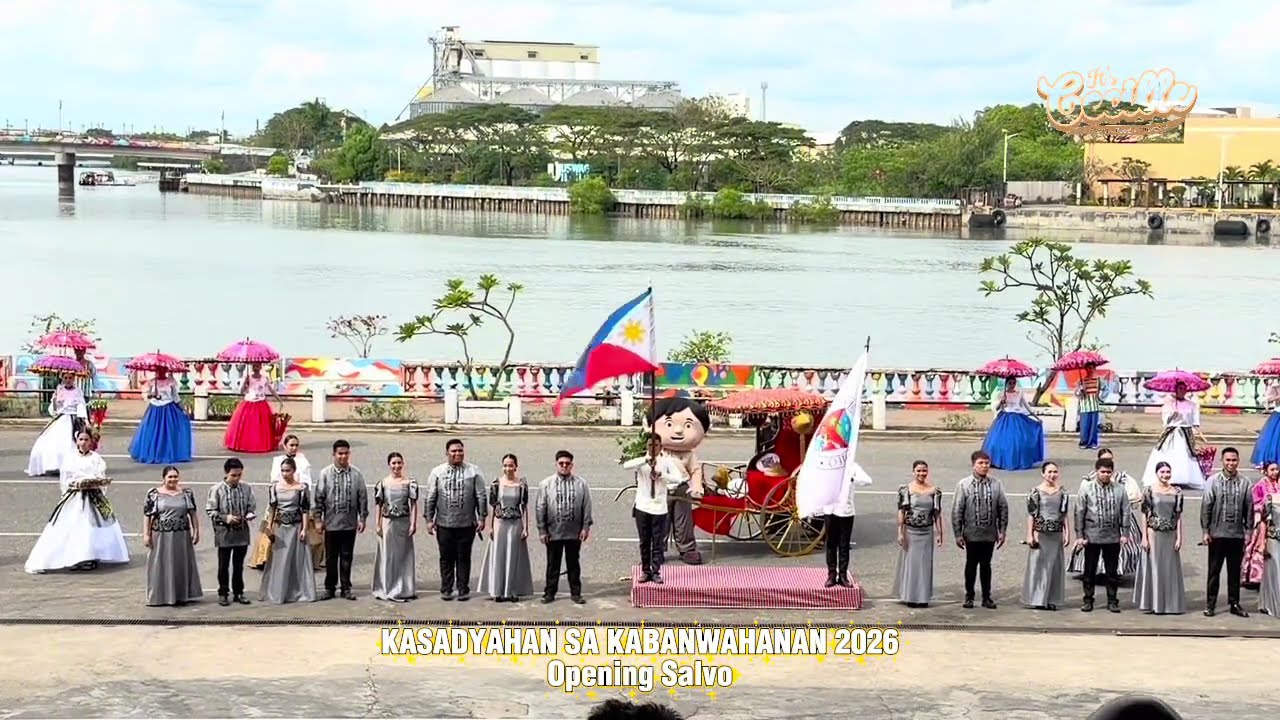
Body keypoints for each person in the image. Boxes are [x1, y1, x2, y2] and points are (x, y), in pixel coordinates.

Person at [25, 430, 130, 573]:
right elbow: (65, 479)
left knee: (91, 526)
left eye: (86, 440)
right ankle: (75, 556)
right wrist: (73, 486)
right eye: (81, 439)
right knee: (74, 525)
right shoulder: (70, 458)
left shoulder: (96, 458)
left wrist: (95, 483)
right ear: (77, 441)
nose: (83, 442)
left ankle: (91, 556)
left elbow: (100, 476)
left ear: (91, 442)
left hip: (93, 496)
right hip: (75, 496)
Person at [649, 397, 711, 565]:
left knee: (683, 520)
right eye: (669, 424)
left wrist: (697, 485)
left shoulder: (689, 455)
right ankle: (656, 550)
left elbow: (695, 471)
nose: (678, 431)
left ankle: (687, 548)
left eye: (688, 426)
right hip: (662, 488)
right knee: (660, 521)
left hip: (682, 488)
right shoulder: (655, 450)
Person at [423, 439, 487, 601]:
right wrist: (429, 519)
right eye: (454, 451)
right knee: (446, 557)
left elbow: (481, 495)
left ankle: (463, 589)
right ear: (447, 453)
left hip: (467, 523)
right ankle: (446, 588)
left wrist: (482, 517)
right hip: (444, 523)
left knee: (464, 557)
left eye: (460, 451)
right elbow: (430, 497)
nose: (457, 454)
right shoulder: (437, 472)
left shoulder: (474, 471)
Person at [1068, 448, 1140, 578]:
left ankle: (1114, 571)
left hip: (1117, 518)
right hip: (1094, 522)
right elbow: (1081, 506)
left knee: (1121, 545)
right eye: (1104, 460)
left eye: (1110, 459)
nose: (1108, 462)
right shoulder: (1089, 479)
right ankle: (1093, 572)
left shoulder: (1121, 478)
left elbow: (1134, 496)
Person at [1074, 457, 1134, 613]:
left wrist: (1125, 533)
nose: (1106, 475)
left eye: (1108, 472)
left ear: (1112, 472)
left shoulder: (1120, 489)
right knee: (1089, 570)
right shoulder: (1086, 488)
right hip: (1091, 535)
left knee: (1112, 571)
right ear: (1096, 472)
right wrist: (1079, 535)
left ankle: (1112, 600)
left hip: (1112, 536)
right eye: (1102, 472)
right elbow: (1079, 512)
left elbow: (1126, 512)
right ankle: (1088, 600)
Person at [950, 450, 1009, 609]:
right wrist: (958, 533)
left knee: (986, 565)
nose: (984, 466)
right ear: (973, 465)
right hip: (971, 533)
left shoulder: (996, 484)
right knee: (971, 564)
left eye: (986, 463)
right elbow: (957, 510)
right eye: (980, 463)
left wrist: (1002, 531)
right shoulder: (964, 484)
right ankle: (969, 596)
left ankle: (986, 597)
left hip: (989, 533)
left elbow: (1003, 508)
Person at [1200, 446, 1254, 617]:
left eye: (1234, 460)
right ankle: (1210, 604)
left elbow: (1249, 508)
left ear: (1238, 461)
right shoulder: (1213, 481)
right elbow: (1206, 506)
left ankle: (1234, 603)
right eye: (1228, 460)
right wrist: (1205, 531)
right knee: (1214, 571)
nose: (1231, 463)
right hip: (1217, 534)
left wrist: (1249, 531)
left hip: (1237, 535)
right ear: (1222, 461)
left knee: (1234, 572)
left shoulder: (1245, 482)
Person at [623, 434, 684, 584]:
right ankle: (645, 570)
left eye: (656, 446)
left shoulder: (666, 462)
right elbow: (626, 465)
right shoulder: (641, 462)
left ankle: (656, 570)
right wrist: (645, 460)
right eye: (650, 445)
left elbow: (678, 478)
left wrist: (662, 475)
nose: (652, 448)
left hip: (659, 508)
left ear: (661, 447)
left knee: (657, 542)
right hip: (643, 507)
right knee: (644, 542)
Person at [536, 450, 593, 605]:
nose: (564, 466)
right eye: (561, 463)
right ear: (556, 464)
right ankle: (549, 593)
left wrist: (585, 527)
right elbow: (540, 507)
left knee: (573, 564)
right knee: (552, 564)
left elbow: (586, 506)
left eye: (567, 463)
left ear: (571, 465)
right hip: (553, 532)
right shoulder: (546, 484)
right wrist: (542, 530)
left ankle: (576, 593)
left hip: (574, 532)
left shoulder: (581, 483)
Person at [313, 439, 368, 601]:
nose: (343, 457)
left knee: (347, 557)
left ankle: (346, 588)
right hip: (331, 524)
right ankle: (329, 588)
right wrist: (317, 519)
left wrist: (362, 517)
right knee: (331, 558)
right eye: (340, 453)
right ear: (334, 455)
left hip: (349, 523)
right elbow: (319, 498)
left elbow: (362, 497)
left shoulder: (356, 474)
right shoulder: (325, 474)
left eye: (346, 453)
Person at [259, 457, 317, 604]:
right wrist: (269, 527)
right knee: (280, 561)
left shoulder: (302, 488)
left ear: (294, 470)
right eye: (283, 471)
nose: (285, 474)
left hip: (296, 527)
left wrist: (304, 529)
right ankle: (278, 592)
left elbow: (304, 510)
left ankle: (298, 592)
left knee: (297, 561)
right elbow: (272, 509)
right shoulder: (274, 488)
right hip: (280, 529)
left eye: (288, 471)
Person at [142, 466, 203, 607]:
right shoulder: (154, 494)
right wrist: (146, 534)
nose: (173, 479)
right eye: (170, 477)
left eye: (175, 476)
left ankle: (181, 595)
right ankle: (160, 596)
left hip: (181, 535)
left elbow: (193, 514)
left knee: (180, 563)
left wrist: (196, 531)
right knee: (160, 564)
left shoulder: (186, 493)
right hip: (161, 535)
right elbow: (147, 515)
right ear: (163, 478)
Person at [477, 453, 534, 602]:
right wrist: (490, 527)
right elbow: (494, 507)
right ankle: (498, 590)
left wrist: (525, 527)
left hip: (515, 523)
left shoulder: (521, 485)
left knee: (513, 556)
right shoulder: (496, 484)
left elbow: (524, 507)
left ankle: (512, 591)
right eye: (505, 465)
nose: (508, 468)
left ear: (516, 467)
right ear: (502, 466)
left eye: (511, 465)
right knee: (499, 555)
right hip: (500, 523)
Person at [257, 434, 318, 571]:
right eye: (291, 445)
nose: (294, 448)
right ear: (285, 446)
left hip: (297, 498)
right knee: (270, 529)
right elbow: (273, 479)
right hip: (280, 497)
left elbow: (307, 481)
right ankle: (263, 558)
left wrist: (297, 489)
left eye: (296, 445)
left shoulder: (303, 461)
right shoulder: (278, 460)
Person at [1134, 462, 1186, 615]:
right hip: (1154, 533)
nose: (1165, 475)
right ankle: (1155, 603)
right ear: (1157, 473)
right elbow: (1144, 514)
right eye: (1162, 472)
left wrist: (1179, 537)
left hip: (1170, 534)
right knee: (1155, 567)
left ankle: (1170, 604)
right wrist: (1144, 536)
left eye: (1168, 472)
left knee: (1169, 568)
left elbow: (1178, 516)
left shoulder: (1177, 492)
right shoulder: (1149, 491)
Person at [206, 457, 257, 606]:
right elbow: (210, 510)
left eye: (239, 475)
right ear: (226, 473)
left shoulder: (246, 488)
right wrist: (225, 518)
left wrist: (250, 514)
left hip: (241, 530)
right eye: (233, 475)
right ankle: (223, 592)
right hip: (224, 531)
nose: (236, 478)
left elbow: (251, 506)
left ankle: (238, 592)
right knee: (223, 565)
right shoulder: (216, 489)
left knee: (238, 565)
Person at [893, 460, 944, 607]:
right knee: (912, 564)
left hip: (926, 532)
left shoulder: (935, 491)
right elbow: (901, 512)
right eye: (919, 471)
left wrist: (940, 533)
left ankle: (922, 597)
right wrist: (900, 533)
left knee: (925, 565)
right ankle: (910, 596)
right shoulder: (906, 490)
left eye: (924, 471)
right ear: (913, 472)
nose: (922, 474)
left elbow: (937, 514)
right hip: (911, 532)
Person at [1141, 382, 1207, 490]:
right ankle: (1167, 476)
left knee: (1187, 454)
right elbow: (1166, 421)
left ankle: (1184, 478)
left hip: (1185, 433)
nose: (1182, 390)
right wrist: (1173, 414)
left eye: (1184, 388)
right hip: (1171, 433)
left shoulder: (1192, 405)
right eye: (1180, 388)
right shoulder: (1168, 404)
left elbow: (1195, 422)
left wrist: (1199, 435)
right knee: (1167, 453)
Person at [371, 452, 418, 603]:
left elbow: (414, 504)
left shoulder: (409, 483)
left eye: (399, 463)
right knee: (388, 556)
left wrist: (413, 523)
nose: (396, 466)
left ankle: (404, 588)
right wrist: (377, 523)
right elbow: (378, 504)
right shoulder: (383, 483)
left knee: (404, 556)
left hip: (403, 523)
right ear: (389, 465)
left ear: (403, 464)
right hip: (388, 523)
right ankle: (387, 587)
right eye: (394, 463)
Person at [1021, 461, 1069, 611]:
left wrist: (1067, 533)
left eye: (1055, 472)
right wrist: (1030, 535)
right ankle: (1037, 598)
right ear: (1043, 474)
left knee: (1054, 567)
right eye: (1049, 472)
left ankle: (1052, 599)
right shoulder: (1035, 492)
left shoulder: (1062, 492)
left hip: (1056, 534)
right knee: (1038, 567)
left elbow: (1064, 514)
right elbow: (1031, 515)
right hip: (1040, 533)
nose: (1052, 475)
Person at [822, 457, 873, 588]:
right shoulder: (828, 465)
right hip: (830, 509)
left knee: (844, 545)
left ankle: (843, 575)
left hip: (846, 511)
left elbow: (868, 481)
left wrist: (851, 479)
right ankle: (831, 574)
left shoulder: (853, 466)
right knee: (830, 544)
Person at [26, 372, 88, 477]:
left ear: (73, 379)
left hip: (73, 419)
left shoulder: (78, 391)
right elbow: (54, 411)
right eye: (65, 378)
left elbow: (81, 406)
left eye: (70, 378)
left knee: (71, 443)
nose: (68, 380)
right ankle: (53, 466)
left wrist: (85, 420)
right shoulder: (59, 390)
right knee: (49, 442)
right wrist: (54, 400)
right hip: (61, 418)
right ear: (62, 378)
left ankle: (72, 467)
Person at [128, 368, 193, 465]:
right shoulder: (152, 382)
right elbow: (147, 396)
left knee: (168, 432)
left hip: (168, 409)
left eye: (163, 370)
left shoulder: (171, 382)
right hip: (155, 409)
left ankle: (166, 453)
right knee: (152, 431)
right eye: (159, 370)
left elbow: (176, 397)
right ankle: (153, 453)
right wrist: (152, 395)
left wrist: (183, 410)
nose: (160, 372)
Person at [981, 377, 1046, 470]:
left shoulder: (1019, 394)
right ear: (1006, 384)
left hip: (1017, 418)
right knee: (1000, 442)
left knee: (1020, 441)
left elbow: (1027, 406)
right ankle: (999, 460)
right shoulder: (1001, 394)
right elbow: (997, 408)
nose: (1012, 385)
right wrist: (1001, 402)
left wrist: (1036, 418)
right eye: (1010, 383)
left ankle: (1018, 460)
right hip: (1004, 418)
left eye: (1013, 383)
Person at [223, 362, 283, 453]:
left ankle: (261, 444)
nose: (256, 367)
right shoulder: (248, 377)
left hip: (261, 404)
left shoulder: (264, 378)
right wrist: (244, 383)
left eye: (258, 366)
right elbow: (241, 391)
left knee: (262, 427)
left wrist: (279, 400)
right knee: (247, 426)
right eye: (254, 366)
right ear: (251, 367)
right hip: (249, 403)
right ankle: (245, 444)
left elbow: (271, 390)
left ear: (261, 367)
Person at [1243, 461, 1280, 590]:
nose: (1275, 472)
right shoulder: (1260, 485)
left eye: (1276, 469)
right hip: (1263, 519)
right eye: (1272, 470)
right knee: (1260, 546)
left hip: (1277, 519)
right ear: (1265, 471)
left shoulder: (1279, 483)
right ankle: (1256, 577)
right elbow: (1254, 503)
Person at [1256, 480, 1280, 617]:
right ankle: (1272, 605)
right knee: (1274, 572)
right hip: (1274, 539)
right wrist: (1262, 542)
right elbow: (1264, 522)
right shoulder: (1270, 499)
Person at [1251, 381, 1280, 468]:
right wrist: (1277, 396)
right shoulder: (1275, 385)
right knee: (1275, 440)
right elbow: (1267, 399)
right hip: (1278, 415)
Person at [1075, 366, 1104, 450]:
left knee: (1093, 426)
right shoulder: (1082, 381)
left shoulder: (1098, 380)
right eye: (1087, 368)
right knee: (1084, 425)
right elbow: (1077, 393)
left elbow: (1105, 390)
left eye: (1091, 368)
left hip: (1094, 405)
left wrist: (1100, 397)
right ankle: (1083, 442)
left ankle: (1093, 442)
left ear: (1094, 369)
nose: (1089, 370)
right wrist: (1080, 391)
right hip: (1085, 405)